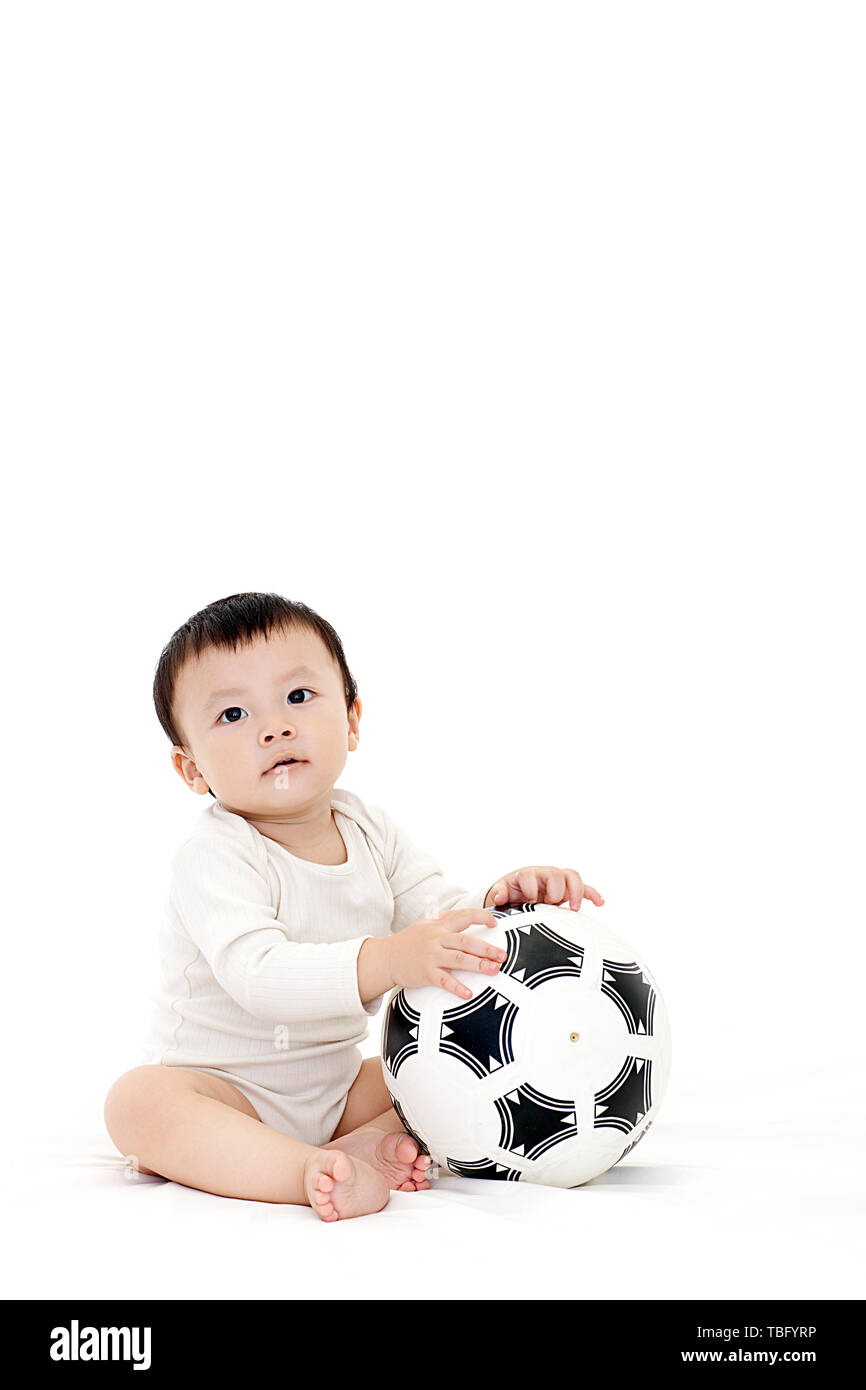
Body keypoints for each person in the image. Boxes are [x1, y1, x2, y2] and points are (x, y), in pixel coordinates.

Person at [103, 592, 604, 1221]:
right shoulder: (215, 855)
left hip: (337, 1091)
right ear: (191, 768)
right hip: (227, 1091)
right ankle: (299, 1170)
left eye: (298, 697)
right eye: (233, 713)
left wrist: (499, 902)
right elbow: (259, 976)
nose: (274, 727)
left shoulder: (369, 828)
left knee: (441, 1075)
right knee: (139, 1103)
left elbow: (433, 915)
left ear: (353, 719)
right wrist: (390, 960)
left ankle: (354, 1147)